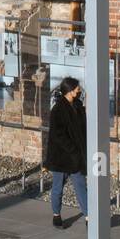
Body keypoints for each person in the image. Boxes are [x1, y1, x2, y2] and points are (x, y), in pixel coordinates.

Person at [44, 77, 88, 228]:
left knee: (81, 186)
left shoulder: (78, 106)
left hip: (75, 157)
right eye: (77, 88)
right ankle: (56, 215)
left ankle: (89, 216)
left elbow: (83, 130)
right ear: (70, 91)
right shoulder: (58, 110)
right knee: (57, 188)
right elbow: (58, 135)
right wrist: (73, 150)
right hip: (62, 157)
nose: (79, 89)